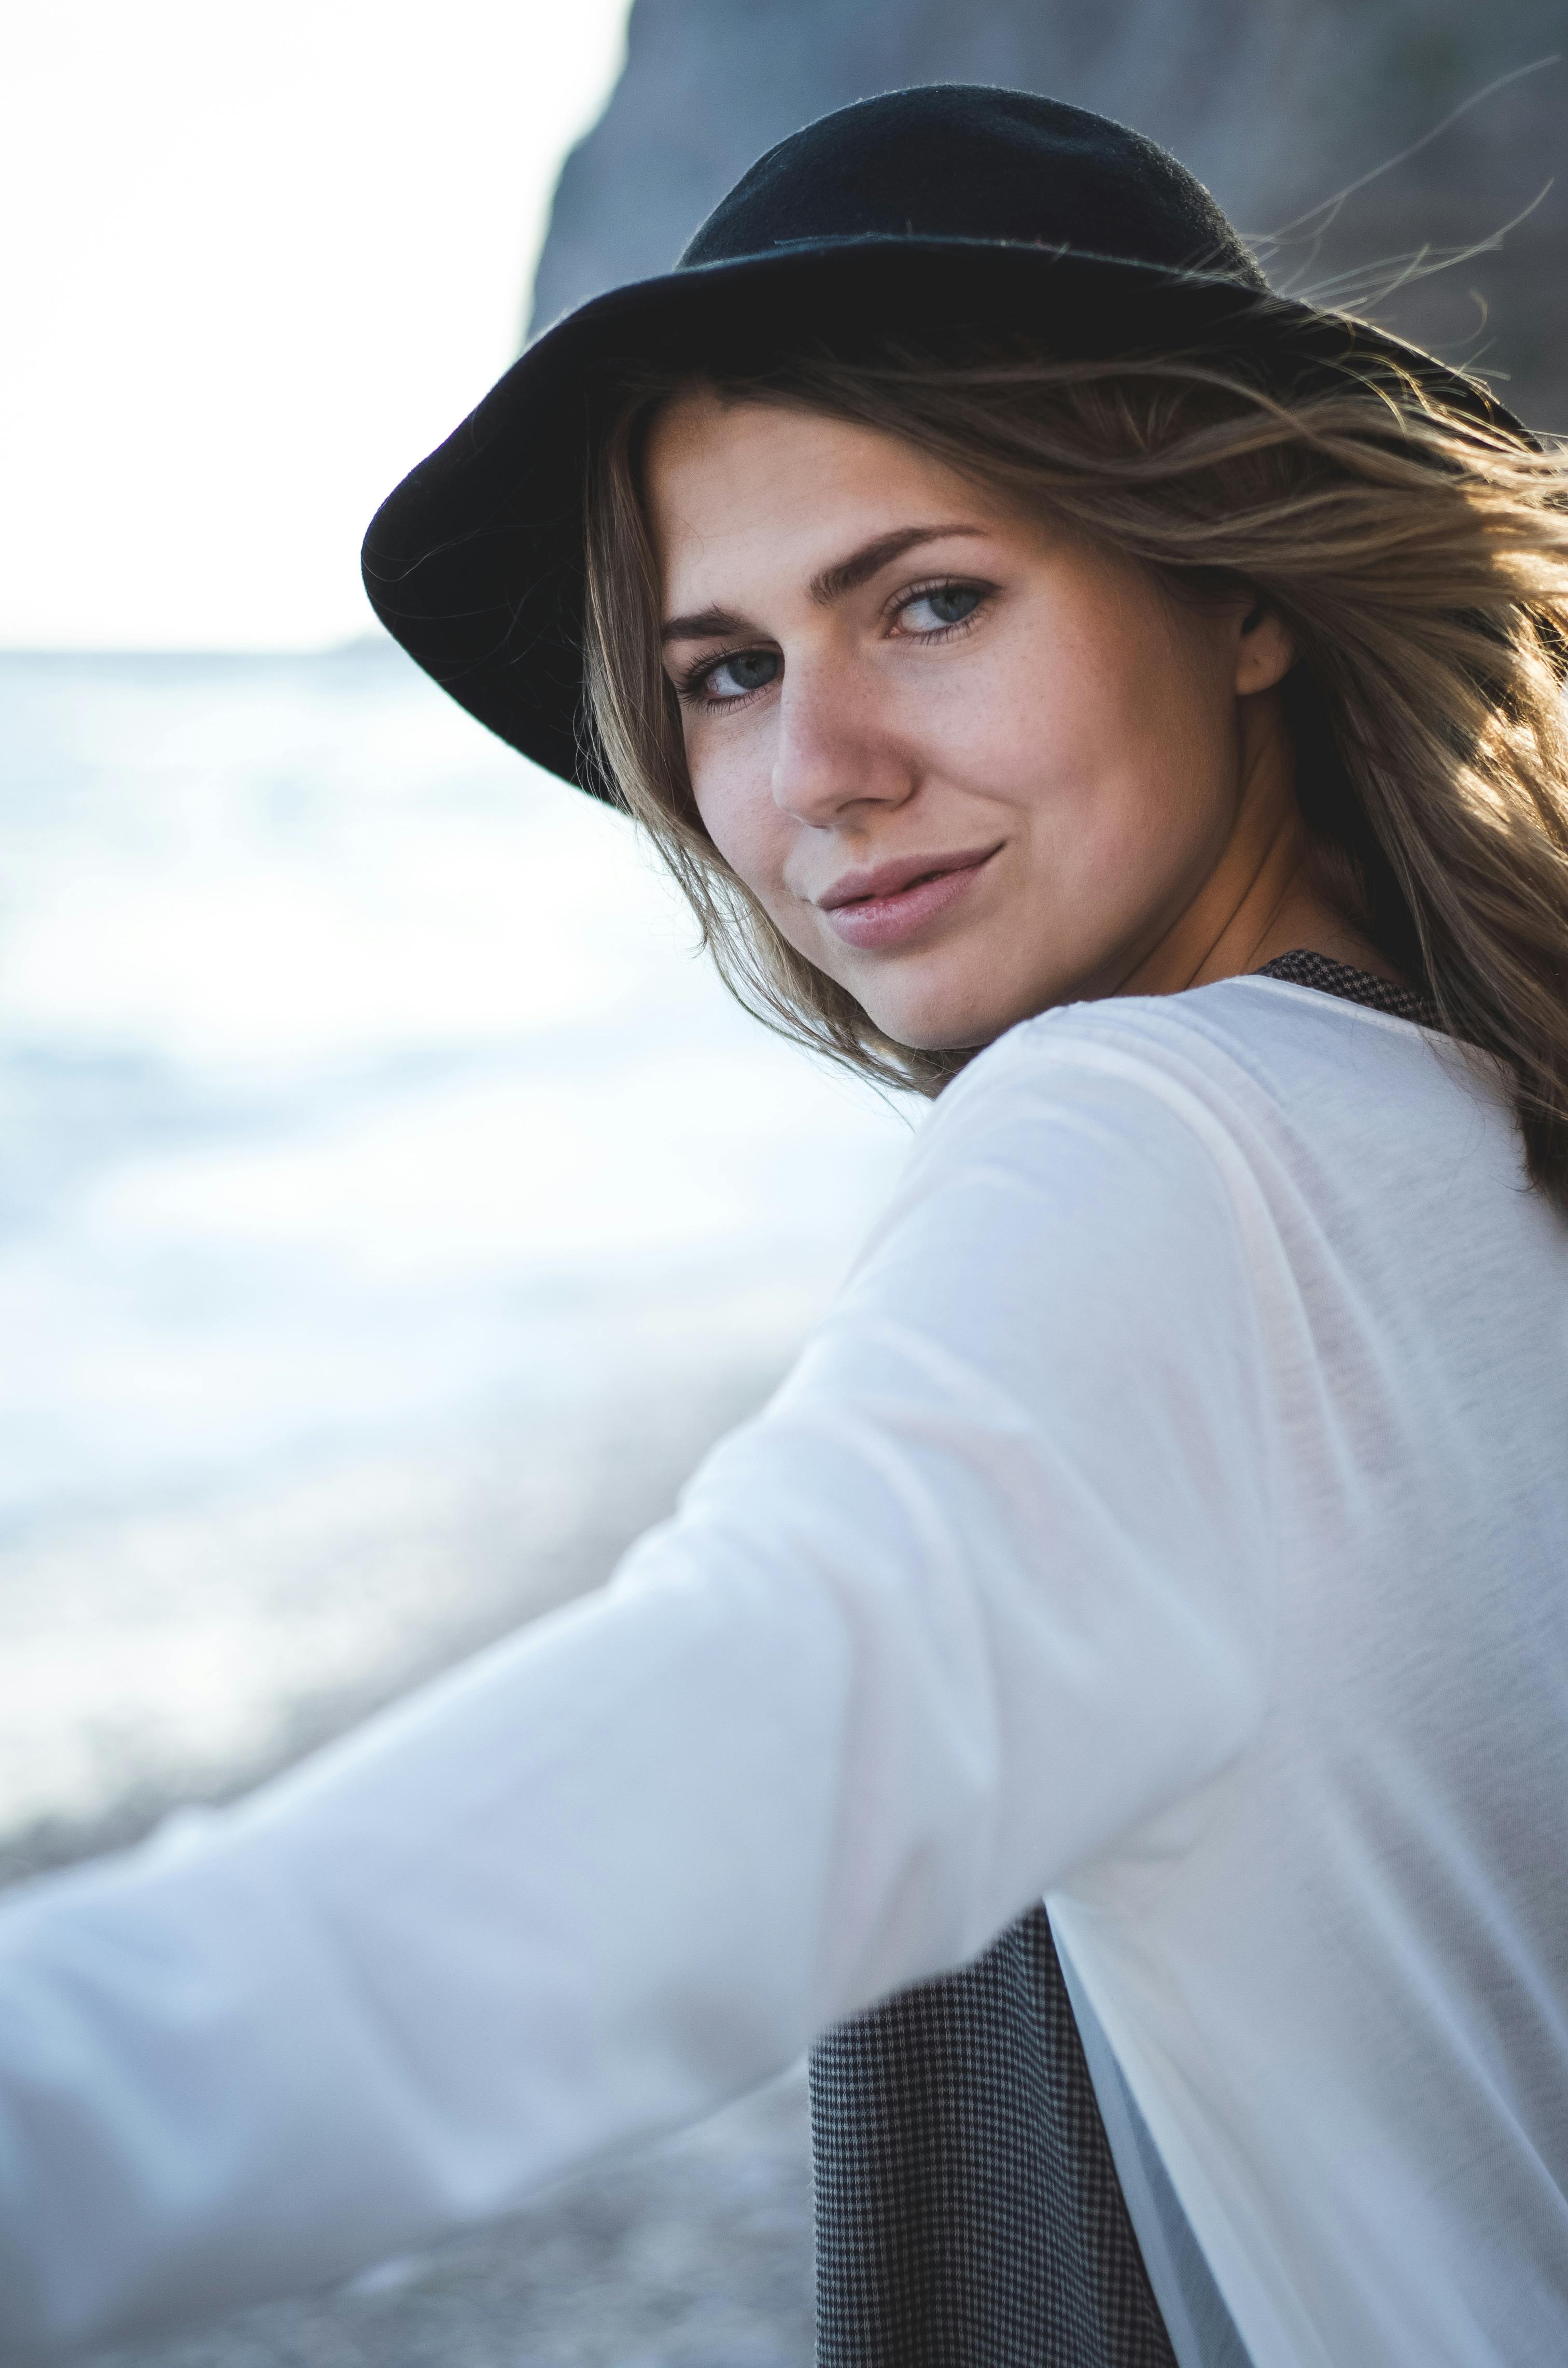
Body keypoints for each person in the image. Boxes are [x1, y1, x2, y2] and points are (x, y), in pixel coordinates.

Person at [3, 82, 1567, 2367]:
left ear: (1233, 585)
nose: (817, 770)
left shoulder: (1155, 1144)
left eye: (928, 602)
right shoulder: (1469, 1109)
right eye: (726, 670)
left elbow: (622, 1830)